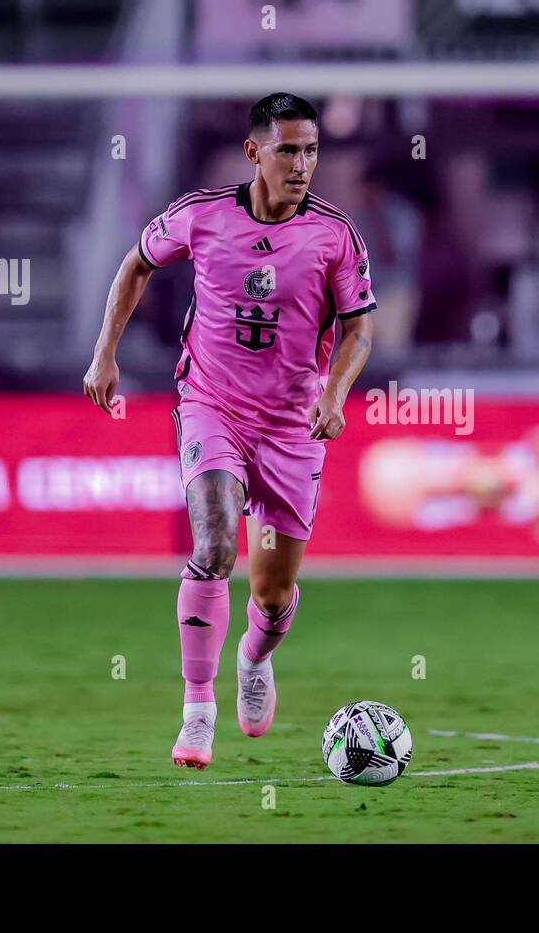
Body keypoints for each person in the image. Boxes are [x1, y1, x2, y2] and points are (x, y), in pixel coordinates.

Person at [82, 93, 376, 770]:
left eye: (310, 151)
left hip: (293, 426)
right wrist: (105, 354)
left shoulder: (335, 234)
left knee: (271, 595)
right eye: (287, 150)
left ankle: (253, 657)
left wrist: (335, 394)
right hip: (211, 404)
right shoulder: (202, 215)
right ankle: (197, 711)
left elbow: (360, 326)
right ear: (254, 152)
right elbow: (135, 265)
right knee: (214, 545)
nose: (302, 164)